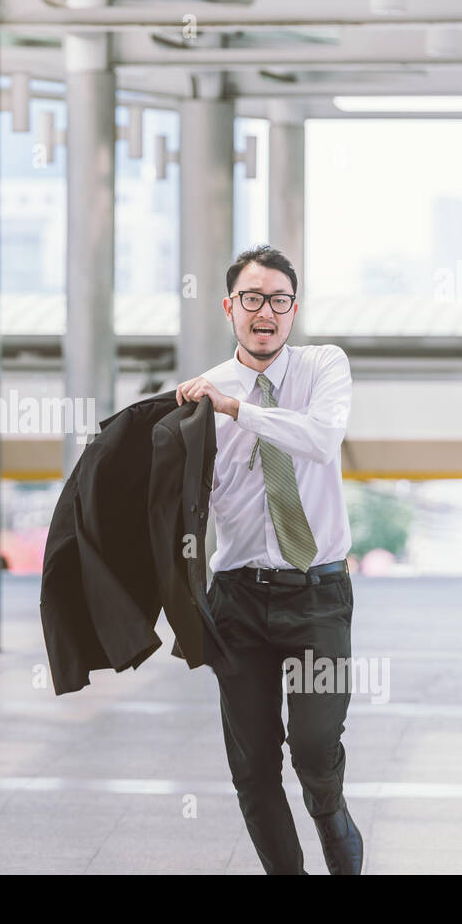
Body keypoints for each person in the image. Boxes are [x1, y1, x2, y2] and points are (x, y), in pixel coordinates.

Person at [175, 244, 362, 875]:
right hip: (240, 600)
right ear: (230, 308)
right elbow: (183, 504)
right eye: (252, 299)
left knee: (314, 750)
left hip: (318, 595)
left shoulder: (322, 367)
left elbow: (320, 439)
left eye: (279, 300)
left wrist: (238, 410)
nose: (266, 312)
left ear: (293, 310)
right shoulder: (200, 398)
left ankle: (332, 816)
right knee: (253, 767)